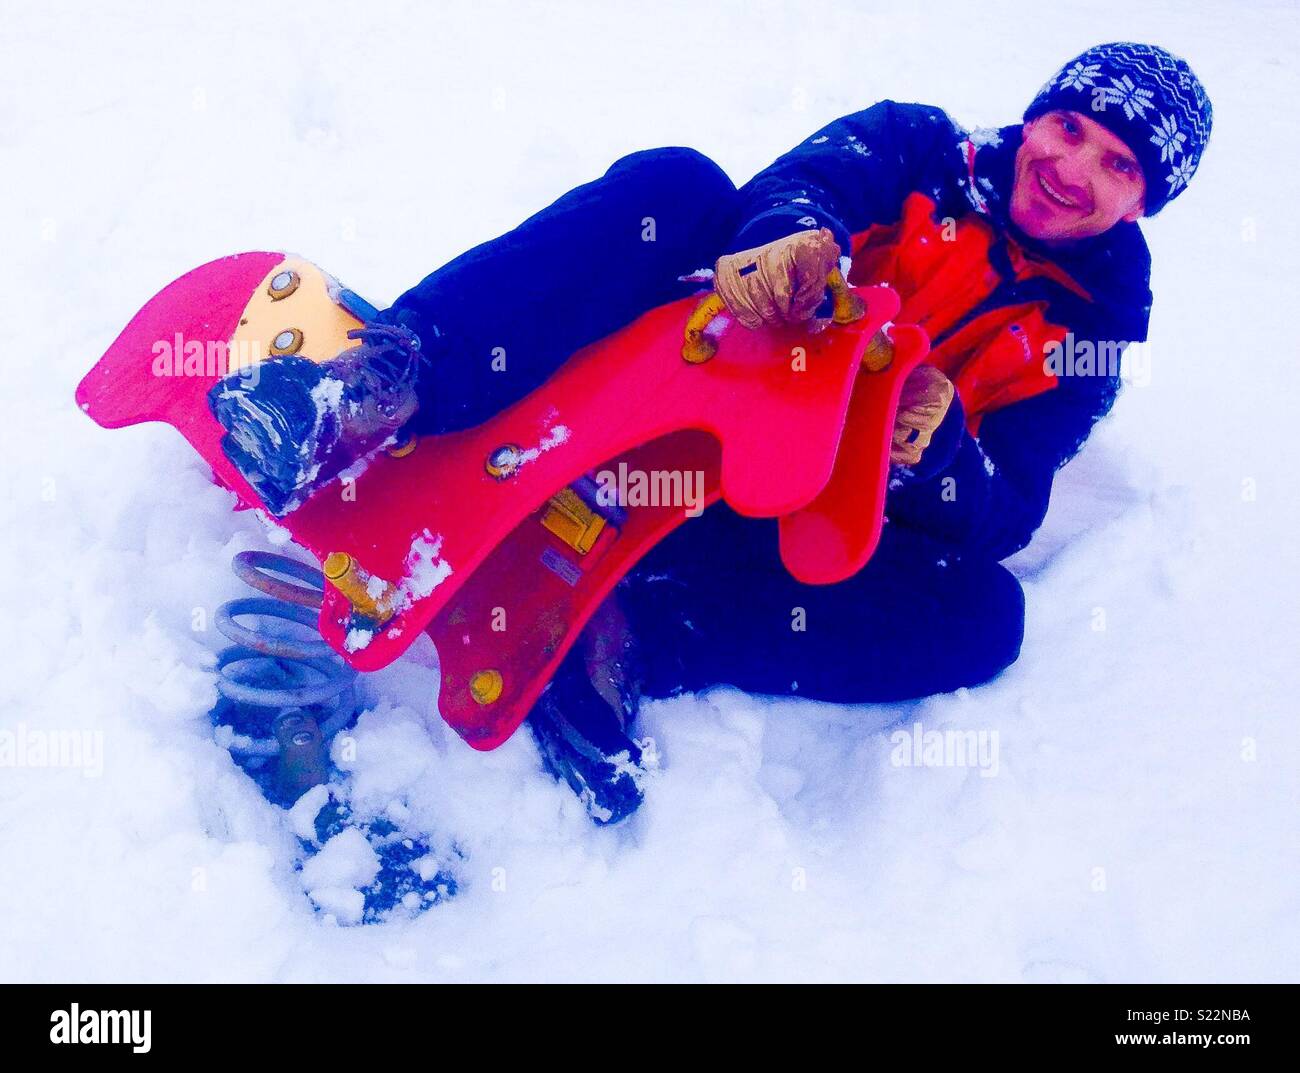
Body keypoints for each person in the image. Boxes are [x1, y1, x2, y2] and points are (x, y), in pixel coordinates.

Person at [209, 42, 1212, 823]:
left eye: (1115, 162)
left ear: (1144, 201)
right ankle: (383, 384)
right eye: (1068, 126)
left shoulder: (1088, 335)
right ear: (1036, 114)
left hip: (768, 508)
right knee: (678, 189)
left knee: (987, 614)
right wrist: (787, 238)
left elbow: (1001, 512)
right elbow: (803, 181)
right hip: (674, 376)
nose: (1069, 164)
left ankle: (629, 629)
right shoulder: (913, 146)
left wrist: (941, 452)